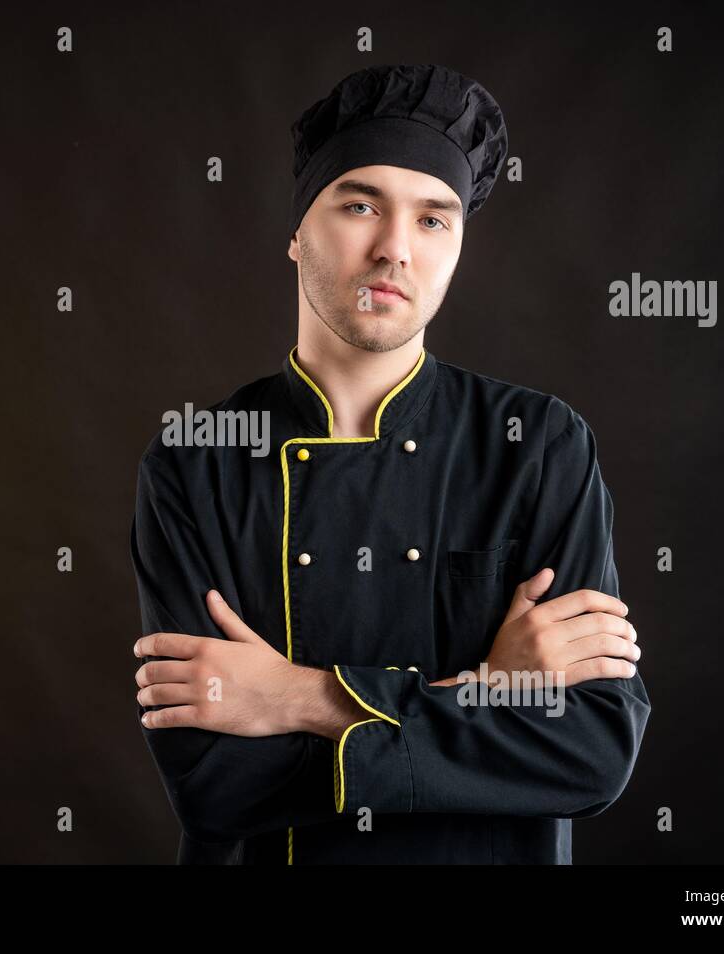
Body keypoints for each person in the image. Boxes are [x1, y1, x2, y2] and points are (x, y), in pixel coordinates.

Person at [129, 63, 651, 864]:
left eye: (433, 219)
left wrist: (300, 697)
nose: (394, 250)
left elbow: (591, 749)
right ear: (298, 231)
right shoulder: (195, 459)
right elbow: (215, 782)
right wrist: (480, 693)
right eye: (360, 204)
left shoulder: (539, 444)